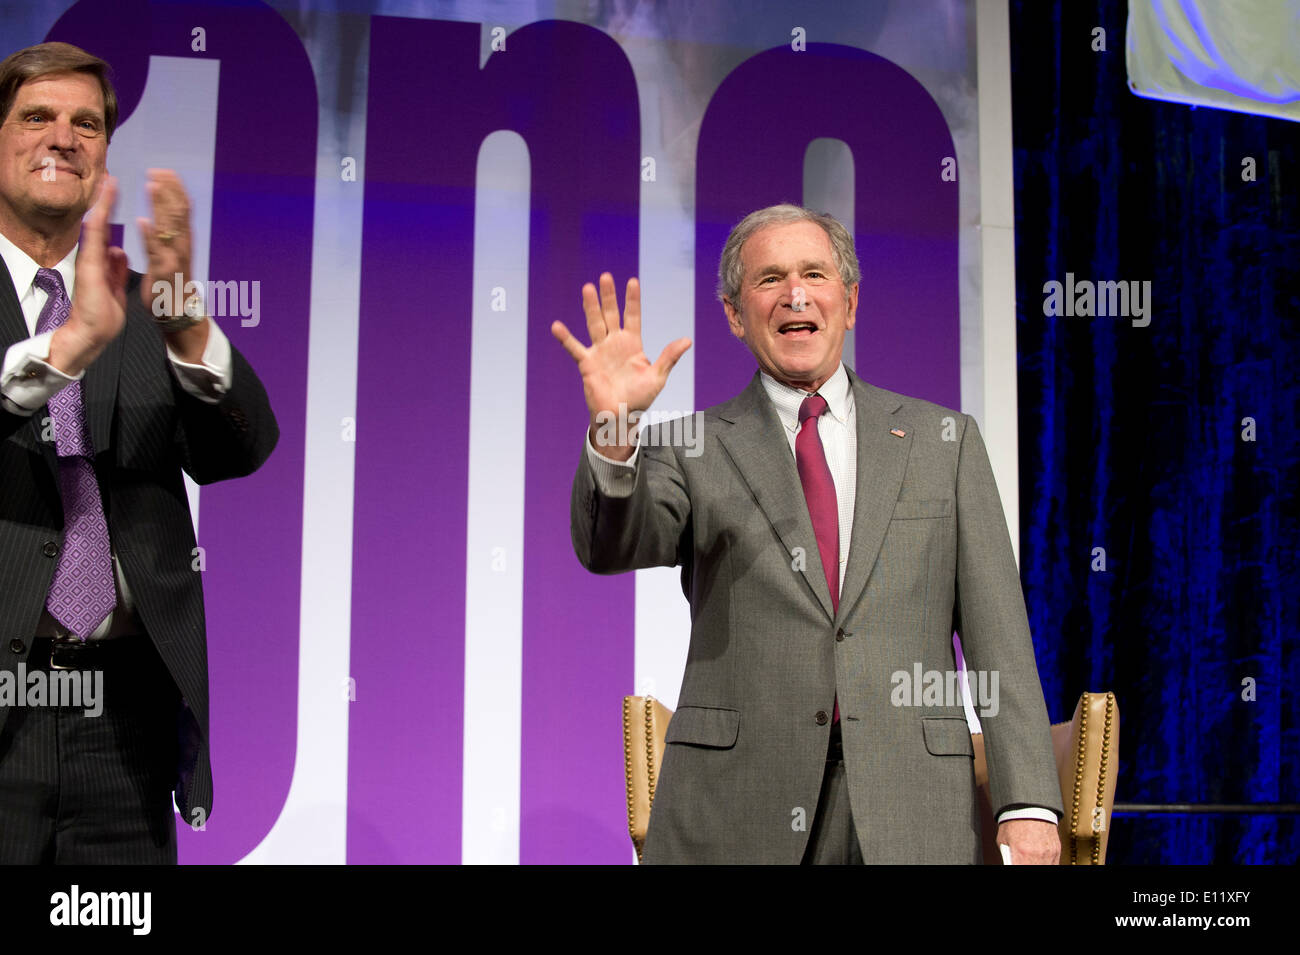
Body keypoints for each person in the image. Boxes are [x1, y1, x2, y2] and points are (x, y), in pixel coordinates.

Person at [553, 204, 1063, 864]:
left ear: (848, 303)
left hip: (911, 806)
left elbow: (999, 636)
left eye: (814, 273)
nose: (795, 293)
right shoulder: (694, 446)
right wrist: (615, 429)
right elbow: (608, 544)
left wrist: (1026, 803)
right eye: (769, 278)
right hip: (735, 808)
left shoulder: (944, 442)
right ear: (736, 315)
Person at [0, 42, 277, 863]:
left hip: (125, 723)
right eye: (37, 117)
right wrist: (64, 350)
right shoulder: (90, 318)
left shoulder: (139, 299)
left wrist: (187, 321)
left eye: (86, 123)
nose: (64, 136)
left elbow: (243, 447)